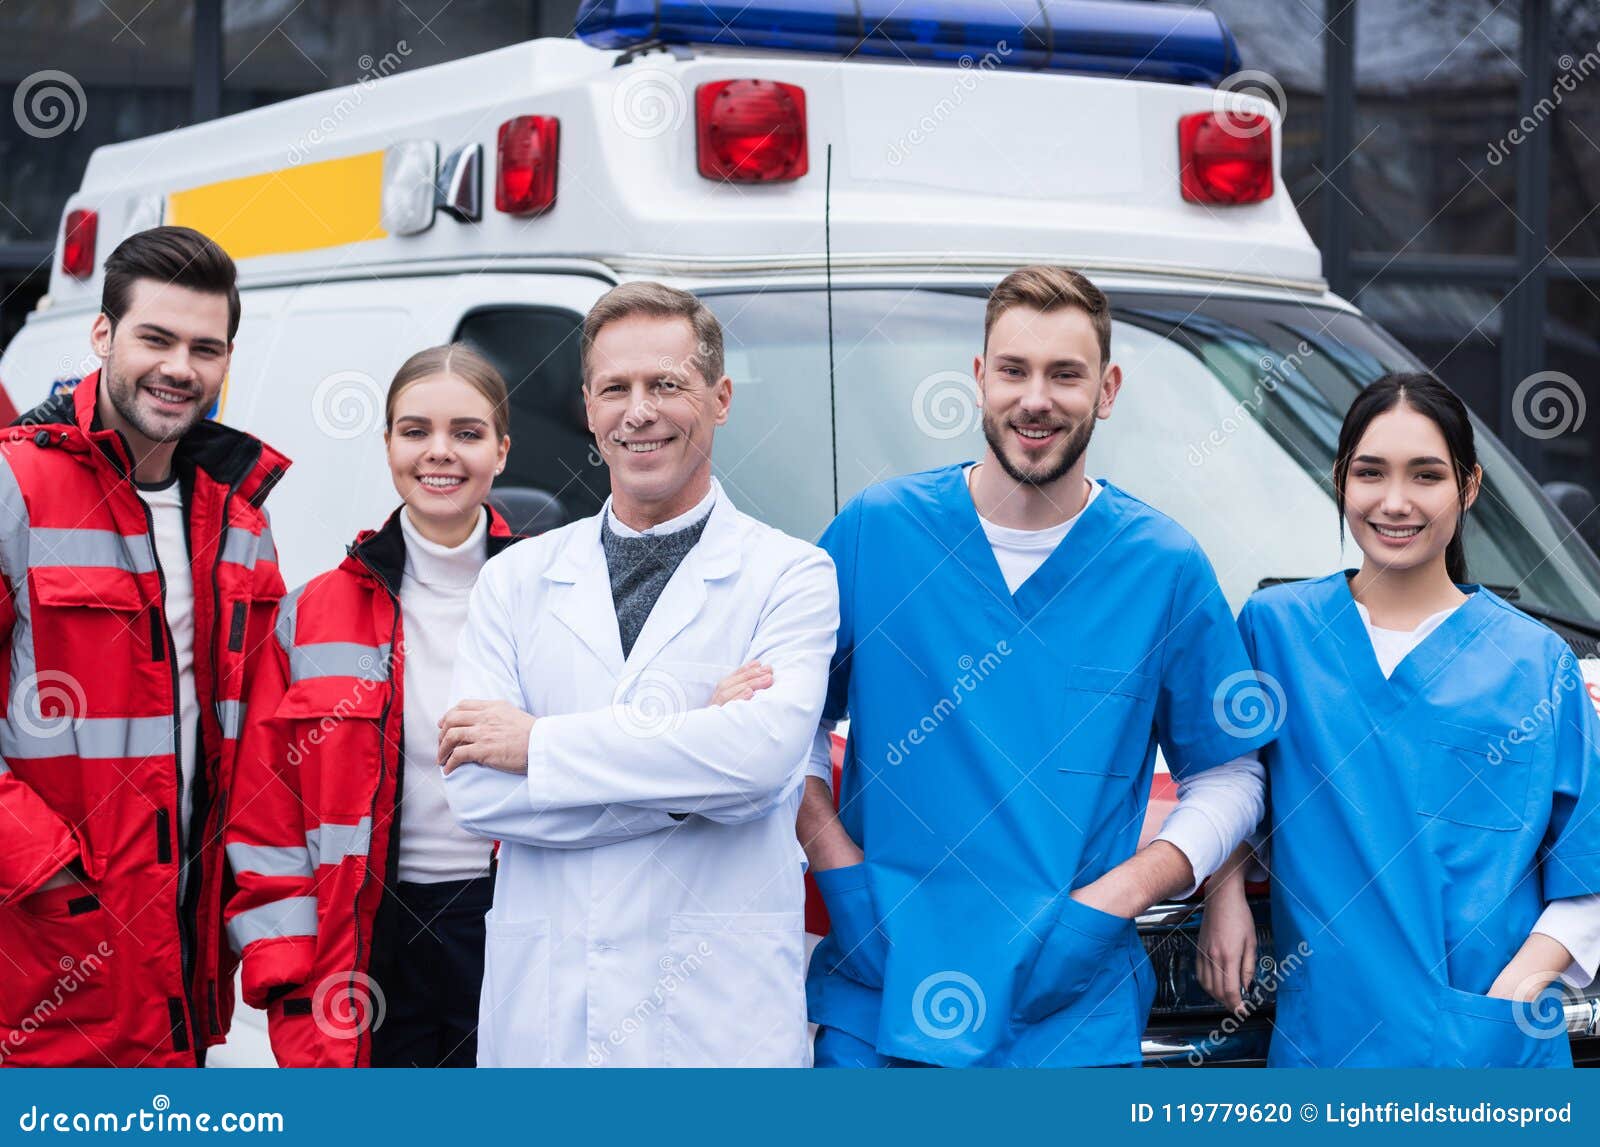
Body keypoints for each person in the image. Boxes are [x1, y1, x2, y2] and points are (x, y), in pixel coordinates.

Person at [799, 265, 1274, 1068]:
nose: (1036, 399)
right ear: (980, 379)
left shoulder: (1160, 567)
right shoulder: (877, 534)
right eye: (1014, 370)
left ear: (1108, 388)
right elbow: (789, 723)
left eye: (1066, 374)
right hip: (882, 992)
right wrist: (838, 867)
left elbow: (1231, 773)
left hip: (1068, 1015)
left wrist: (1119, 896)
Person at [437, 282, 837, 1067]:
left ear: (719, 399)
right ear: (587, 407)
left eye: (667, 385)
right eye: (615, 388)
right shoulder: (515, 581)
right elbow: (475, 792)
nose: (639, 410)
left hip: (714, 1028)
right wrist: (694, 792)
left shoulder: (791, 575)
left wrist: (539, 747)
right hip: (549, 1021)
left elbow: (758, 764)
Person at [1197, 372, 1600, 1067]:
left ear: (1468, 488)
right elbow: (1229, 782)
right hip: (1327, 1045)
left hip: (1489, 1056)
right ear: (1340, 481)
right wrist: (1224, 890)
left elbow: (1589, 869)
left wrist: (1511, 995)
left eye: (1426, 476)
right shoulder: (1275, 634)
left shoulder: (1537, 666)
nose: (1395, 502)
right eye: (1370, 473)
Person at [0, 226, 289, 1066]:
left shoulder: (240, 517)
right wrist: (54, 879)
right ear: (103, 336)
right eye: (155, 338)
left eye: (205, 348)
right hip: (43, 971)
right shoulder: (17, 488)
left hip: (183, 978)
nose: (179, 368)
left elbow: (258, 739)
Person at [223, 344, 522, 1067]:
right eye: (415, 431)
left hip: (516, 928)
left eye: (468, 433)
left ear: (502, 451)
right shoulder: (313, 614)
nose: (439, 453)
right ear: (387, 444)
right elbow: (264, 813)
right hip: (365, 939)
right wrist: (288, 975)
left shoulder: (555, 594)